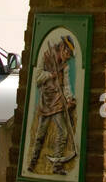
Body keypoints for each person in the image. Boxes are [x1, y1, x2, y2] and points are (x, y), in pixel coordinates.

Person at [28, 34, 78, 174]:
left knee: (63, 132)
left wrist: (69, 98)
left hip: (58, 101)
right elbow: (37, 78)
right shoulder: (46, 56)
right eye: (67, 53)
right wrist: (50, 75)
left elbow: (66, 84)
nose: (68, 57)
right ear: (62, 48)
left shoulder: (64, 66)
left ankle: (57, 165)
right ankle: (33, 162)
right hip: (46, 101)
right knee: (40, 134)